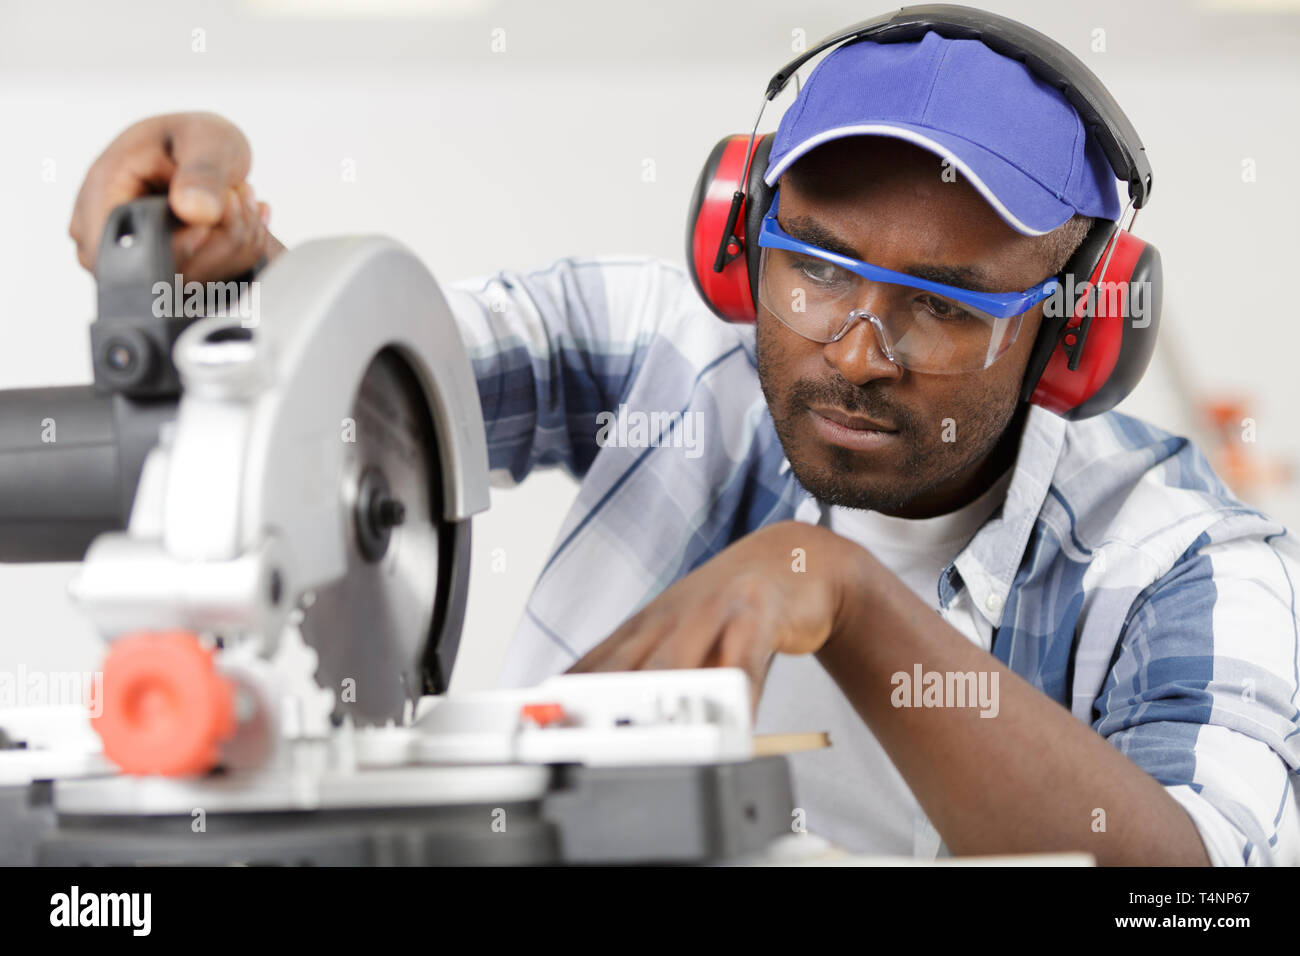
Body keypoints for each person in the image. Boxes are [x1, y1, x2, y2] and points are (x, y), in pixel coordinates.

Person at [66, 24, 1299, 866]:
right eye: (813, 266)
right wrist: (221, 268)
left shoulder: (1187, 559)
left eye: (943, 304)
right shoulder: (656, 354)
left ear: (1073, 329)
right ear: (734, 243)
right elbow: (361, 388)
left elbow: (1191, 888)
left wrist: (844, 597)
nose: (856, 350)